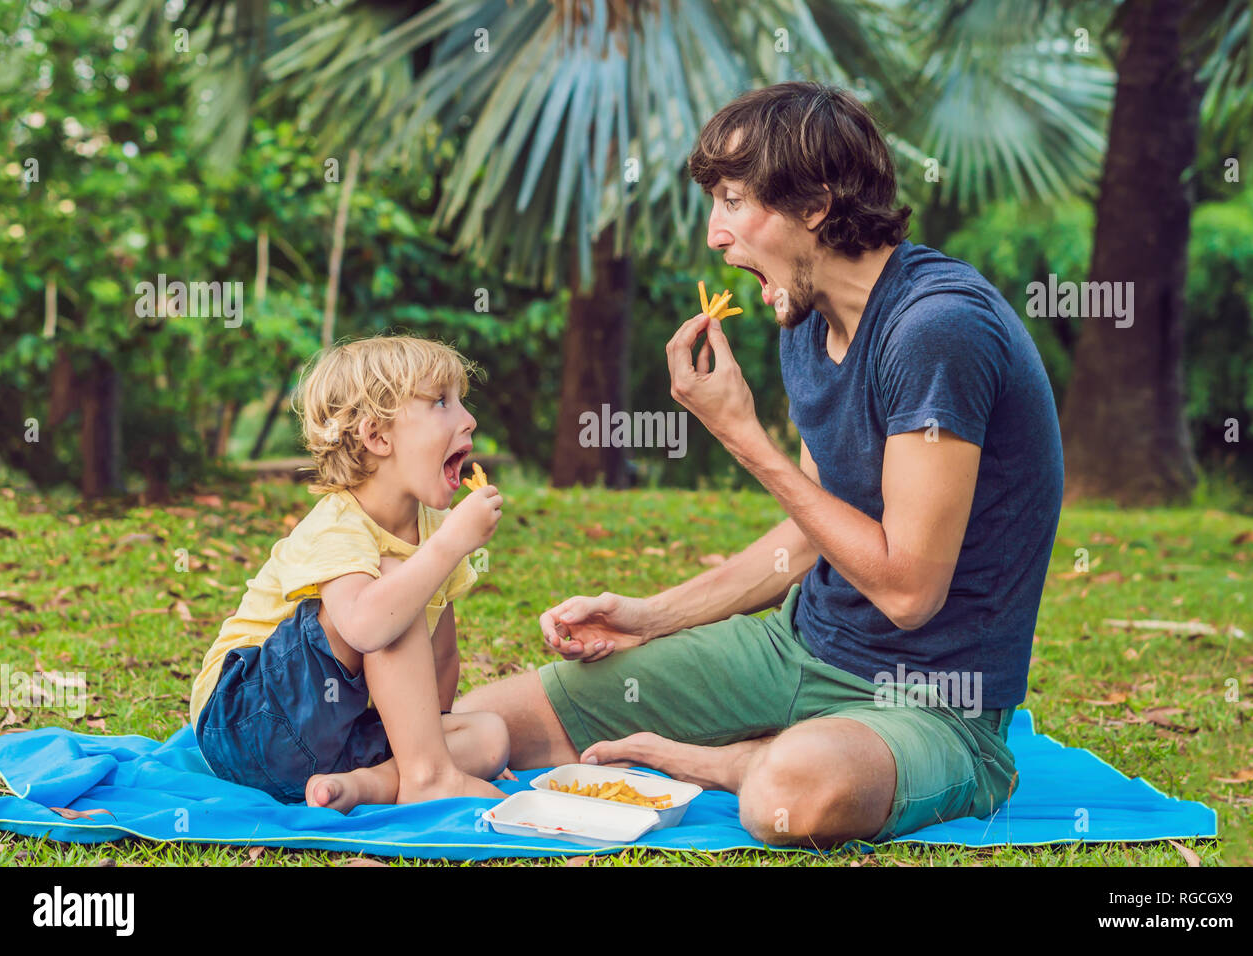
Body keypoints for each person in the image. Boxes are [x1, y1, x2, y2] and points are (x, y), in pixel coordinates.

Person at [459, 81, 1065, 846]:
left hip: (933, 702)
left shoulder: (935, 331)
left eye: (735, 200)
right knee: (489, 720)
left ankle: (729, 761)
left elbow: (909, 590)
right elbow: (812, 530)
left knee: (788, 793)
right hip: (796, 649)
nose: (716, 233)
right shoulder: (804, 320)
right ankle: (749, 742)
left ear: (814, 206)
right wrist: (650, 616)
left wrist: (744, 438)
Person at [190, 335, 509, 811]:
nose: (468, 419)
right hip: (245, 720)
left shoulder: (435, 535)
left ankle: (367, 785)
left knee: (490, 735)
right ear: (377, 437)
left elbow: (441, 664)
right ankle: (427, 777)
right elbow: (365, 626)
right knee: (390, 586)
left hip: (327, 746)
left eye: (461, 402)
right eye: (442, 402)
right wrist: (450, 544)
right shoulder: (339, 525)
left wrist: (434, 737)